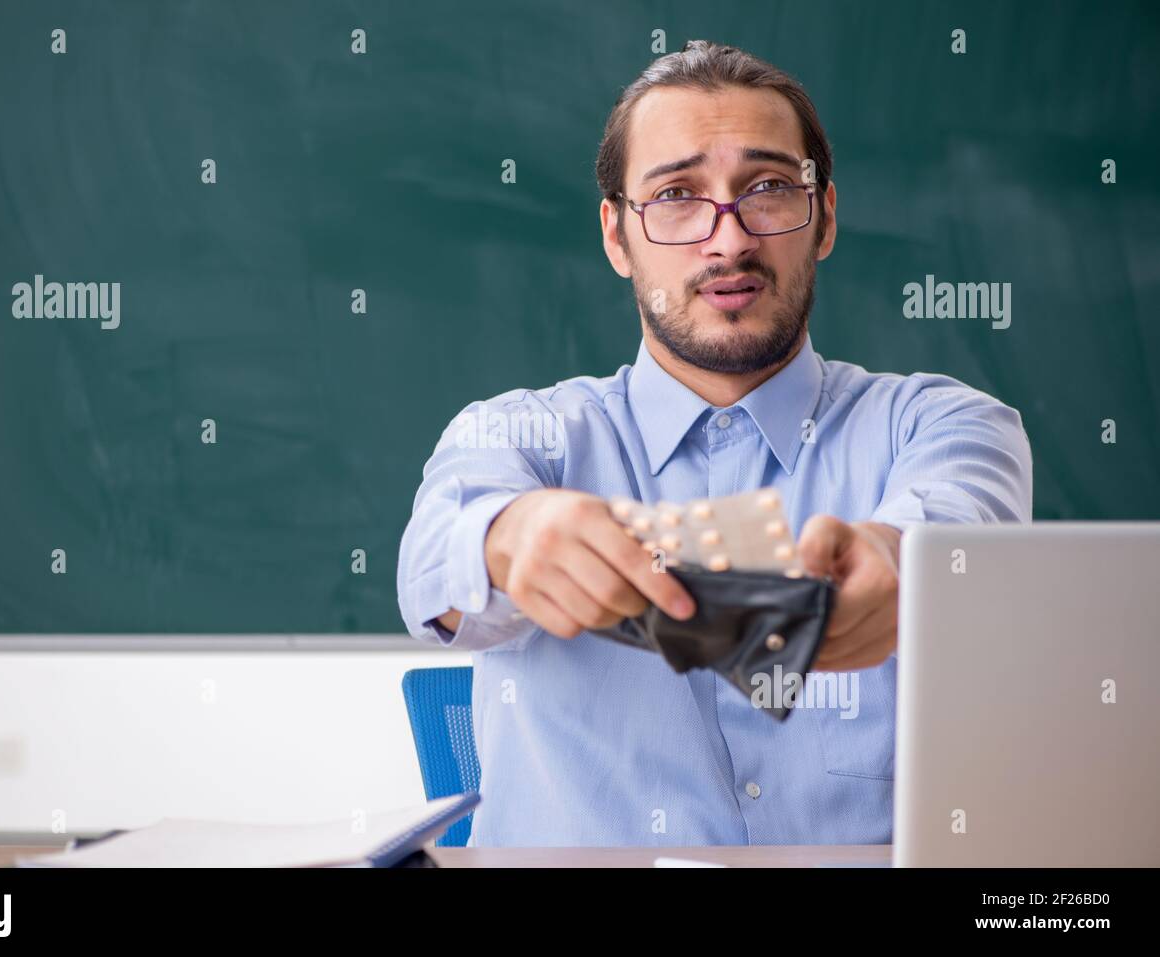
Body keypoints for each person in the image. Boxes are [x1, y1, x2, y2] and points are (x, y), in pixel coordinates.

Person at [397, 40, 1032, 847]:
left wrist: (898, 562)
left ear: (825, 217)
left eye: (767, 188)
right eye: (676, 195)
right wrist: (509, 539)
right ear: (617, 237)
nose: (727, 239)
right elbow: (430, 573)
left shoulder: (945, 424)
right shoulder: (518, 435)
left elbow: (959, 534)